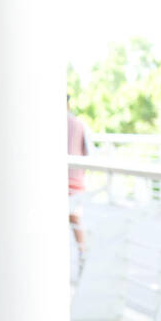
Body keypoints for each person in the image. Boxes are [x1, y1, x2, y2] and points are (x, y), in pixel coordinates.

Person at [66, 94, 91, 280]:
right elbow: (89, 152)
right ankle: (82, 254)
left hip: (56, 182)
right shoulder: (79, 124)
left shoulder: (48, 124)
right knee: (75, 221)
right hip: (76, 182)